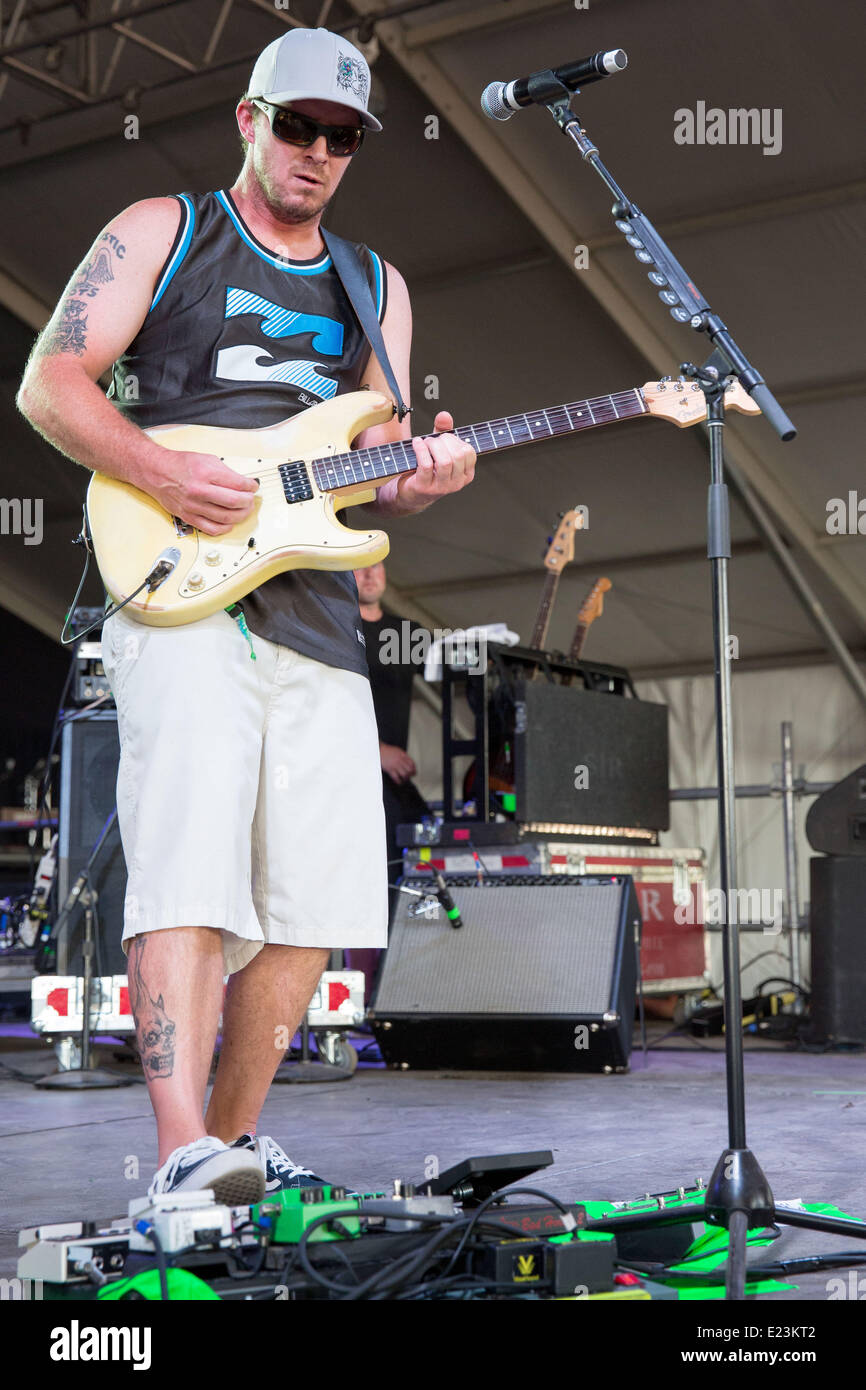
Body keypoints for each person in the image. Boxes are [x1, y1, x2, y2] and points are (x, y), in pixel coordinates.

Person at [17, 27, 475, 1203]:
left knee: (317, 899)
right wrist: (161, 473)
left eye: (341, 138)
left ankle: (220, 1151)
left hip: (316, 612)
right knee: (188, 871)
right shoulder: (159, 230)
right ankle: (173, 1150)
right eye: (298, 126)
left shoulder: (378, 288)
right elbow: (50, 382)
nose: (316, 152)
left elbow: (373, 463)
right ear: (249, 118)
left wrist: (415, 476)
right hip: (175, 585)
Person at [355, 561, 431, 887]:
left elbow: (457, 669)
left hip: (394, 781)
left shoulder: (405, 633)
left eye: (378, 566)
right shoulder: (339, 632)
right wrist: (377, 751)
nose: (371, 574)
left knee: (423, 853)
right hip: (354, 775)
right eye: (360, 568)